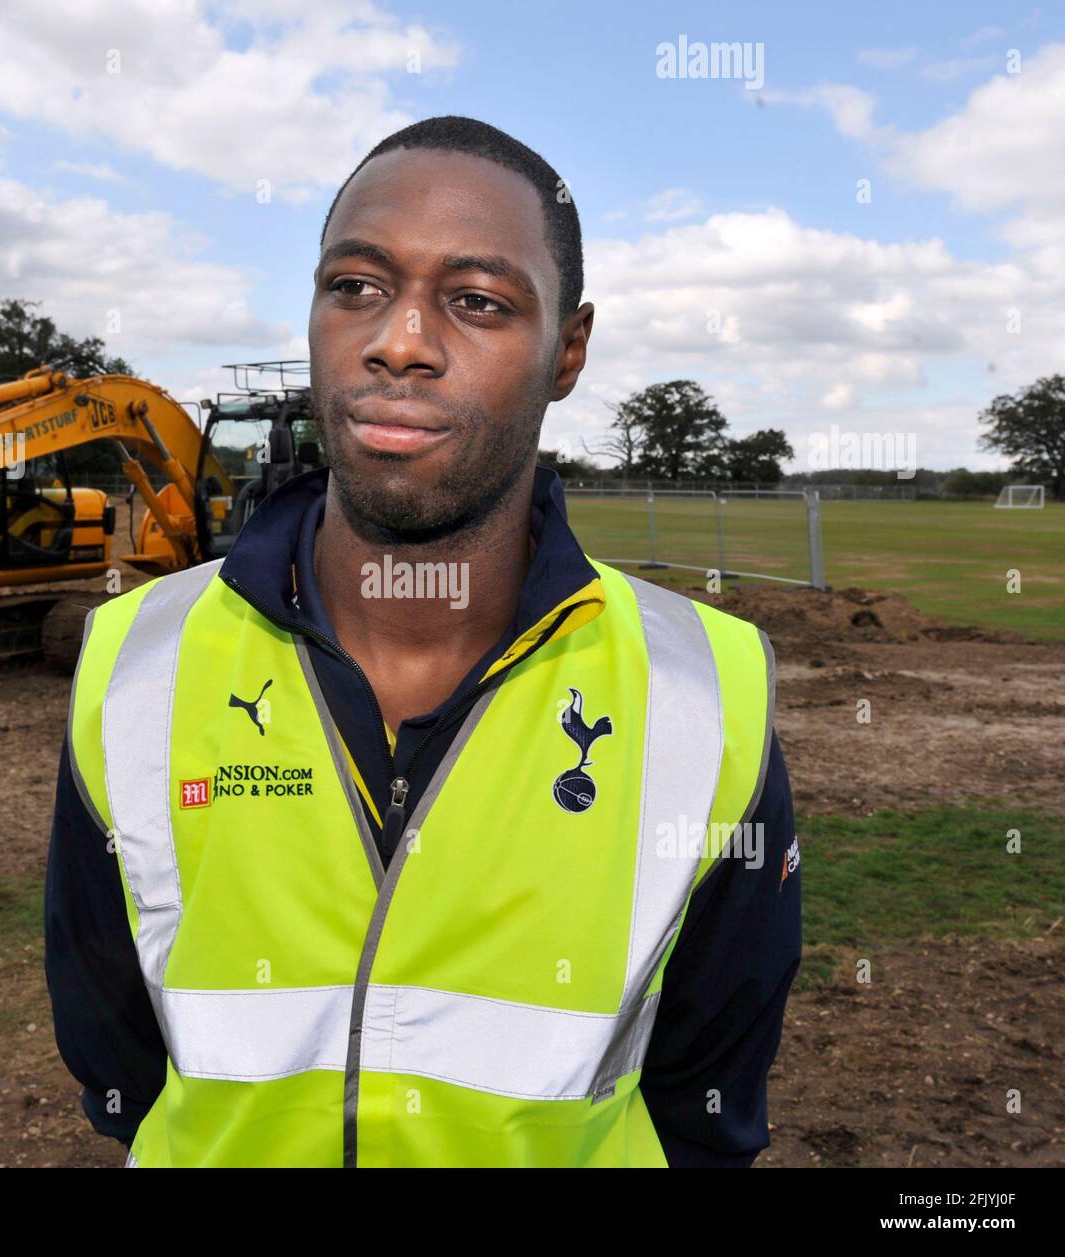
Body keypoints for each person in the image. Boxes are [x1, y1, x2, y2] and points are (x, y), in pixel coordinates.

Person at [45, 115, 802, 1168]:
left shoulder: (703, 688)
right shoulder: (135, 661)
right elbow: (117, 1065)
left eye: (477, 302)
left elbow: (705, 1098)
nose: (397, 340)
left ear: (567, 351)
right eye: (354, 286)